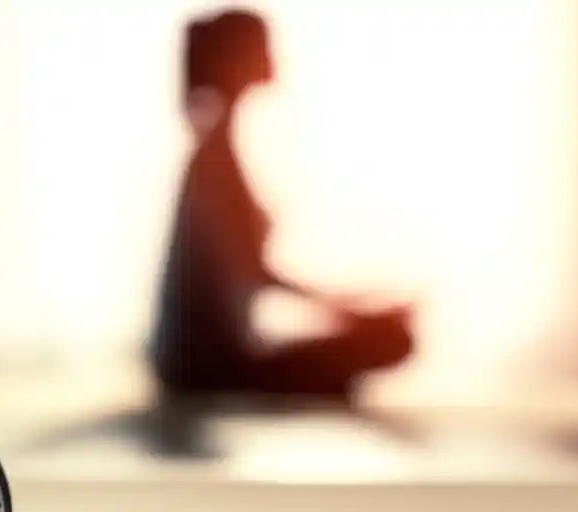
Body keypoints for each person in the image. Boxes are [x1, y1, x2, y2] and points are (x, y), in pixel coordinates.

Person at [152, 9, 413, 401]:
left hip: (209, 359)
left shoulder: (216, 151)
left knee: (374, 343)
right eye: (261, 44)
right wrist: (353, 313)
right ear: (233, 59)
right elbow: (254, 272)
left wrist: (351, 305)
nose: (273, 55)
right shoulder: (214, 158)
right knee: (393, 340)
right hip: (208, 367)